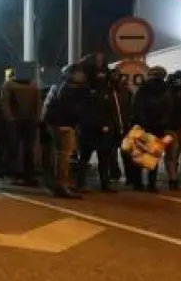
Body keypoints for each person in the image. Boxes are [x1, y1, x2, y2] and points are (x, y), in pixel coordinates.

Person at [76, 54, 122, 193]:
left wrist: (113, 126)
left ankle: (104, 184)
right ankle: (81, 184)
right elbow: (82, 109)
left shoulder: (107, 87)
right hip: (89, 127)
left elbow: (112, 109)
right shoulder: (85, 87)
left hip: (104, 127)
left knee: (104, 157)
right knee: (85, 156)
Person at [41, 63, 86, 198]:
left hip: (60, 124)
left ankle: (61, 184)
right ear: (71, 74)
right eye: (79, 72)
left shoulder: (62, 86)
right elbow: (68, 108)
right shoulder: (67, 88)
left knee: (63, 155)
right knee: (64, 155)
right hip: (62, 124)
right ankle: (62, 185)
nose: (82, 75)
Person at [131, 66, 173, 192]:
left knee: (139, 154)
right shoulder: (167, 90)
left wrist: (143, 123)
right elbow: (170, 109)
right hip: (158, 127)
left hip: (142, 127)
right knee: (154, 155)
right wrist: (163, 123)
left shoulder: (142, 89)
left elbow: (137, 108)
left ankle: (138, 183)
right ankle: (151, 184)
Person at [0, 66, 41, 186]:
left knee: (15, 149)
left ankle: (16, 175)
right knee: (26, 149)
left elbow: (4, 102)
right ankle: (27, 175)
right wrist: (37, 118)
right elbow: (38, 104)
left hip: (17, 120)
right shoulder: (34, 85)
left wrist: (9, 117)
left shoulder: (8, 85)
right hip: (26, 120)